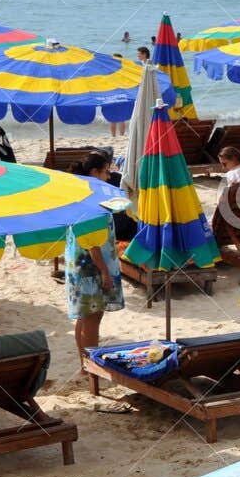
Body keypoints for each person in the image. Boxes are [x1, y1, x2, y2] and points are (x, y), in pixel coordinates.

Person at [65, 226, 124, 365]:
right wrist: (104, 271)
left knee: (85, 317)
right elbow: (91, 242)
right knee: (93, 317)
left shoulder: (80, 207)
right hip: (91, 268)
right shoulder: (90, 209)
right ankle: (91, 367)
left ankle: (85, 366)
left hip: (83, 264)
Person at [73, 151, 136, 241]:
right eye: (106, 171)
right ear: (94, 172)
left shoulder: (110, 182)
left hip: (117, 232)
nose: (109, 176)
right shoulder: (86, 194)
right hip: (110, 235)